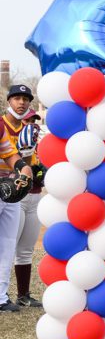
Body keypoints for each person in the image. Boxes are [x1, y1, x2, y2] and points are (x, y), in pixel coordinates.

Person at [0, 85, 39, 312]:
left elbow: (8, 154)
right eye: (17, 98)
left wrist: (25, 167)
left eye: (26, 99)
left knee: (7, 245)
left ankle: (2, 297)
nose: (22, 102)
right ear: (8, 100)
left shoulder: (24, 129)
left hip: (12, 191)